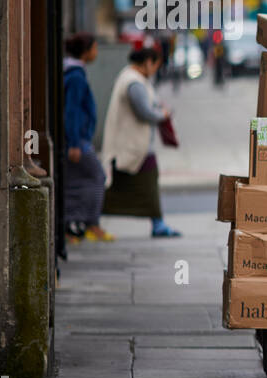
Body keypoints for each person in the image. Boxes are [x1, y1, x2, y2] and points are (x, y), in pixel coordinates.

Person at [101, 44, 182, 237]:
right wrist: (162, 114)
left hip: (136, 144)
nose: (155, 71)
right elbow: (144, 112)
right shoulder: (134, 82)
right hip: (133, 145)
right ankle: (157, 224)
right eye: (155, 65)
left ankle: (157, 222)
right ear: (147, 62)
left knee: (132, 183)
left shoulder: (131, 78)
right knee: (144, 181)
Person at [62, 34, 114, 244]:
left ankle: (69, 225)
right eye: (94, 48)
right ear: (86, 51)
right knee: (97, 176)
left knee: (75, 182)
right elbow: (72, 111)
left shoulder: (75, 73)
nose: (96, 52)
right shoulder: (76, 77)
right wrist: (75, 143)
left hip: (78, 139)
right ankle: (91, 224)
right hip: (77, 141)